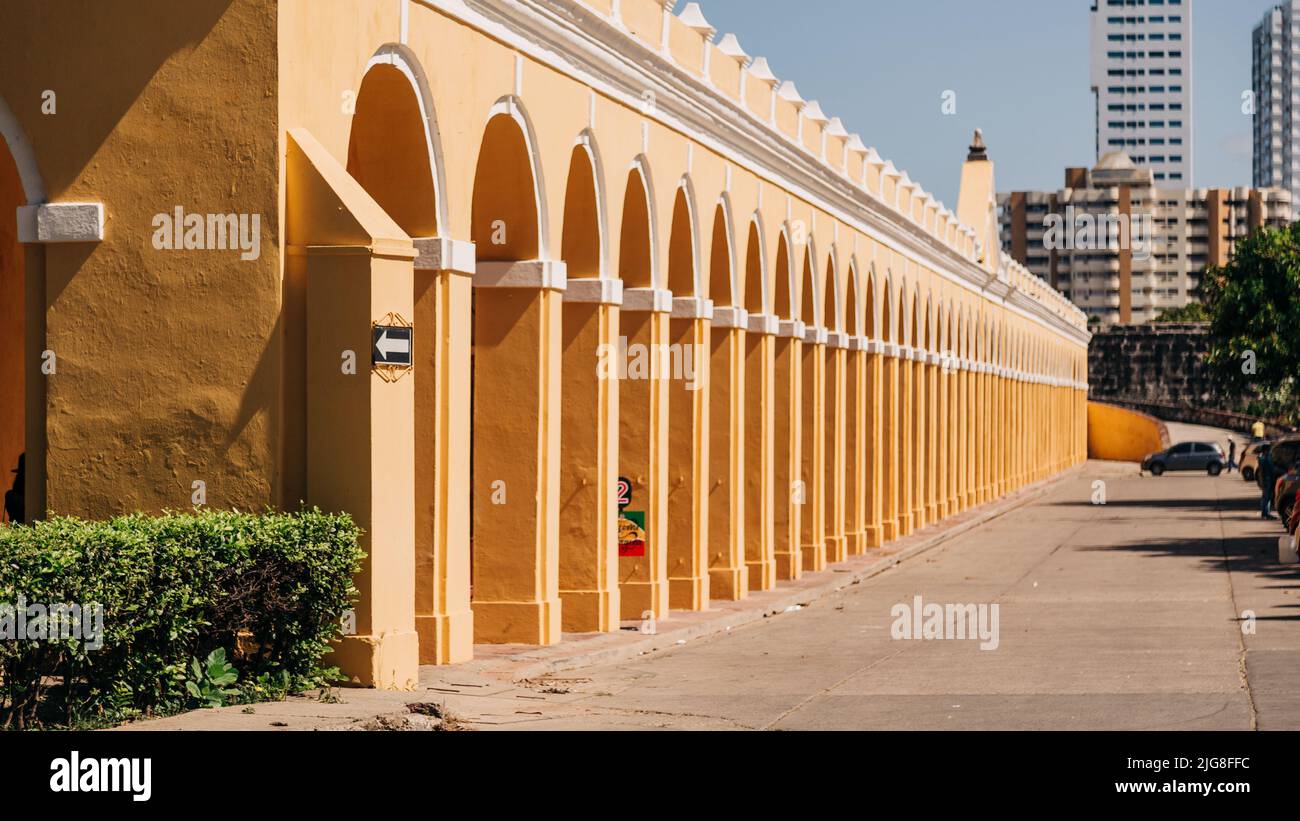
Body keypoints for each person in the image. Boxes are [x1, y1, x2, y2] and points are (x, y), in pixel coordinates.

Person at [1258, 445, 1277, 520]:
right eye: (1268, 450)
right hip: (1267, 479)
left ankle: (1264, 513)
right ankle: (1266, 513)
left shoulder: (1262, 458)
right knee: (1267, 497)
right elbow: (1270, 470)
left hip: (1265, 479)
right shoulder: (1266, 459)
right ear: (1266, 451)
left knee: (1265, 497)